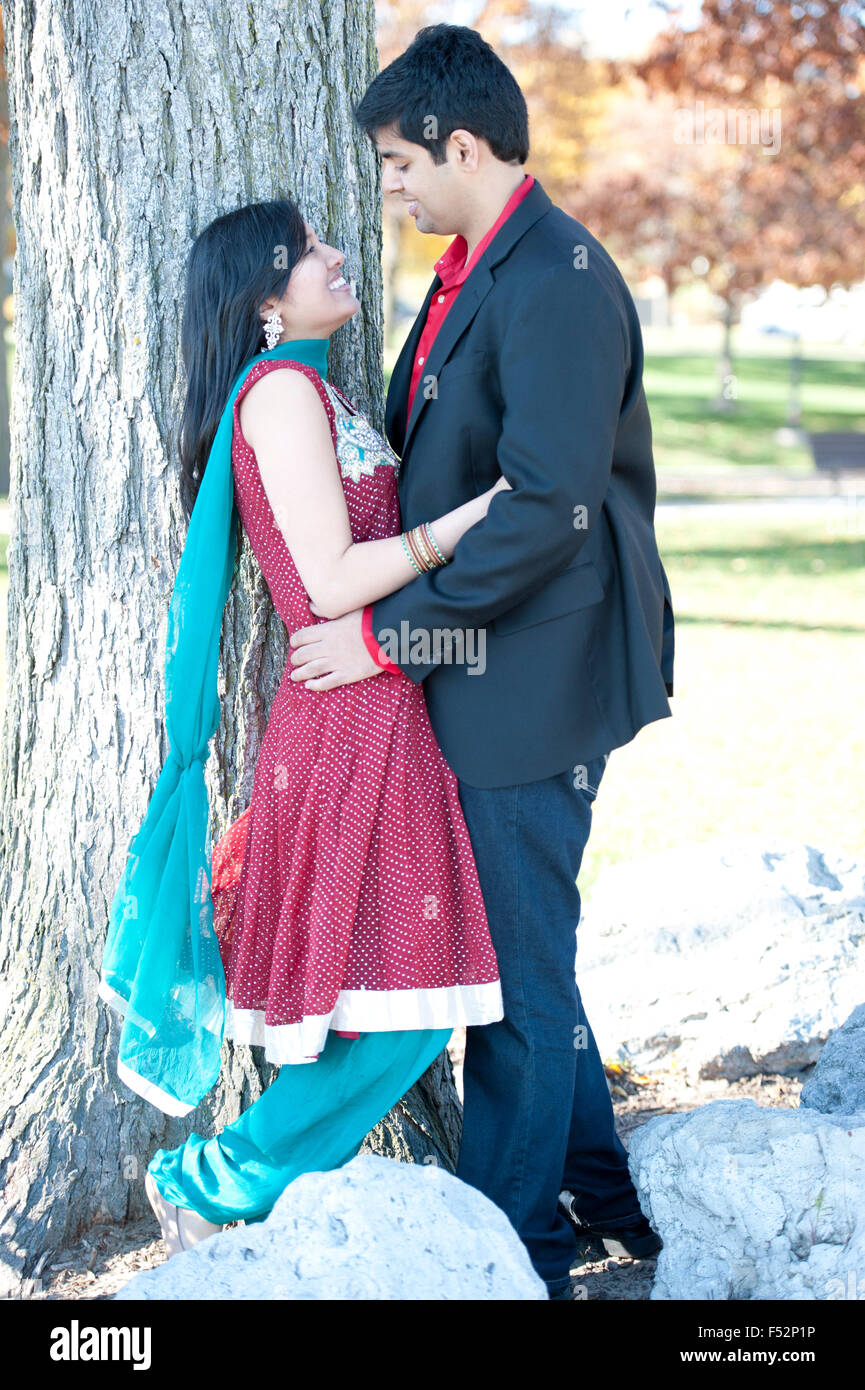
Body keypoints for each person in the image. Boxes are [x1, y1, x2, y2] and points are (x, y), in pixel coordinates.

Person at [286, 24, 676, 1299]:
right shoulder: (473, 268)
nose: (387, 189)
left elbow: (551, 504)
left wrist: (394, 637)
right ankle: (608, 1204)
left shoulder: (557, 277)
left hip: (540, 676)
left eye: (399, 165)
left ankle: (520, 1257)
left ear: (462, 147)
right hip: (493, 660)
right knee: (530, 949)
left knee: (512, 982)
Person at [102, 197, 508, 1257]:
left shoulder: (313, 389)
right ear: (265, 299)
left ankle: (225, 1183)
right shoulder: (282, 391)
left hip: (378, 708)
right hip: (344, 720)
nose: (337, 255)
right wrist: (461, 527)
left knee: (386, 1000)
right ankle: (209, 1178)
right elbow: (327, 581)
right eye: (310, 249)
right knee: (400, 1006)